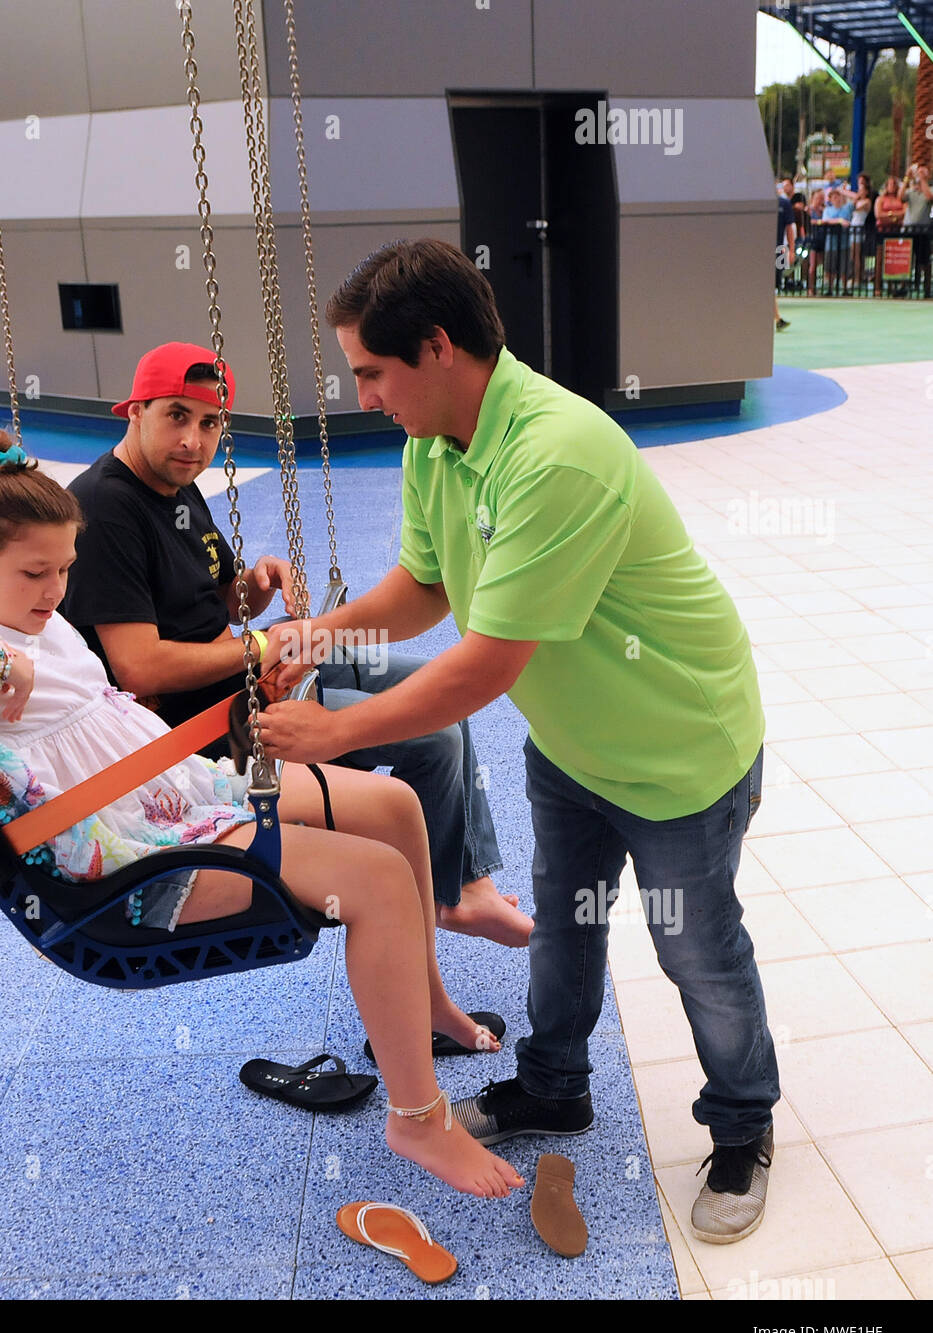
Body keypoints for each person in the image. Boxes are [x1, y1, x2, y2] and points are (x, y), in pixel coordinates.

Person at [0, 429, 525, 1201]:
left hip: (180, 789)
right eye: (36, 572)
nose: (55, 591)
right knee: (378, 879)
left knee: (395, 804)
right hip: (132, 860)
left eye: (65, 568)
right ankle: (417, 1119)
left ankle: (424, 1001)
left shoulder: (34, 615)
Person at [257, 239, 779, 1244]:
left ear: (438, 347)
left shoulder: (554, 452)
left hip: (678, 750)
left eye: (372, 371)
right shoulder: (435, 445)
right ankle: (552, 1087)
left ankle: (743, 1124)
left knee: (696, 949)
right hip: (575, 746)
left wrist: (335, 729)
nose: (364, 394)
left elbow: (486, 662)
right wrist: (318, 635)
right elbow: (427, 589)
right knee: (566, 921)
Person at [60, 341, 535, 948]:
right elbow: (141, 666)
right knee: (433, 740)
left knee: (438, 690)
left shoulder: (176, 484)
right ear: (135, 411)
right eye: (176, 415)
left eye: (209, 424)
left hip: (247, 676)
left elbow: (217, 602)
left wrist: (254, 586)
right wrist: (264, 643)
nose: (193, 440)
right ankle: (451, 898)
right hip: (205, 727)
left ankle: (467, 886)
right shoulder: (105, 508)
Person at [900, 162, 932, 295]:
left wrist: (923, 180)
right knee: (906, 259)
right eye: (919, 172)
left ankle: (926, 288)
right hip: (908, 229)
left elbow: (930, 197)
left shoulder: (929, 189)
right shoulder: (910, 191)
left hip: (923, 230)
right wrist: (907, 178)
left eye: (923, 172)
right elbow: (900, 197)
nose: (920, 174)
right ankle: (903, 287)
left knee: (924, 260)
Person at [874, 174, 905, 296]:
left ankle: (895, 287)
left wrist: (890, 216)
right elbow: (879, 215)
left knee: (895, 260)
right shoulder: (880, 199)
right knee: (880, 259)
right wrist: (894, 216)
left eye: (894, 184)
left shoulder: (900, 198)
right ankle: (878, 287)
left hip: (897, 232)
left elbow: (904, 213)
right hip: (882, 231)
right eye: (890, 184)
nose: (892, 186)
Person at [774, 179, 795, 329]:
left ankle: (777, 318)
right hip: (760, 249)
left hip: (779, 249)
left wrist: (791, 250)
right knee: (767, 285)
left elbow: (789, 228)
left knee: (775, 284)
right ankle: (777, 318)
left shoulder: (784, 204)